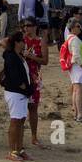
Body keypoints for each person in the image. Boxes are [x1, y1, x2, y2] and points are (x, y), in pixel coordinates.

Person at [0, 32, 32, 162]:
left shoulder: (18, 55)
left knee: (21, 120)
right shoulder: (11, 56)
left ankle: (19, 149)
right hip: (15, 92)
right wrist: (23, 86)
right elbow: (14, 75)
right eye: (22, 41)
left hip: (22, 93)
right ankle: (13, 151)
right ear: (17, 43)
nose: (24, 43)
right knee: (15, 121)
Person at [21, 18, 48, 146]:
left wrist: (31, 56)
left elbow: (45, 60)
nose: (26, 28)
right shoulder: (21, 39)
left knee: (33, 108)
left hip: (34, 77)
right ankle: (19, 136)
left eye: (29, 25)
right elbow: (3, 42)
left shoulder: (40, 41)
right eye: (24, 26)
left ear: (35, 27)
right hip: (21, 77)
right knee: (20, 109)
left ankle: (34, 136)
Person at [62, 16, 82, 123]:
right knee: (78, 90)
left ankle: (77, 113)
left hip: (75, 67)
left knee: (76, 90)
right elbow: (76, 55)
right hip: (78, 67)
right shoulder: (74, 39)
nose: (80, 28)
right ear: (72, 28)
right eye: (78, 26)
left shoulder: (70, 38)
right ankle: (79, 114)